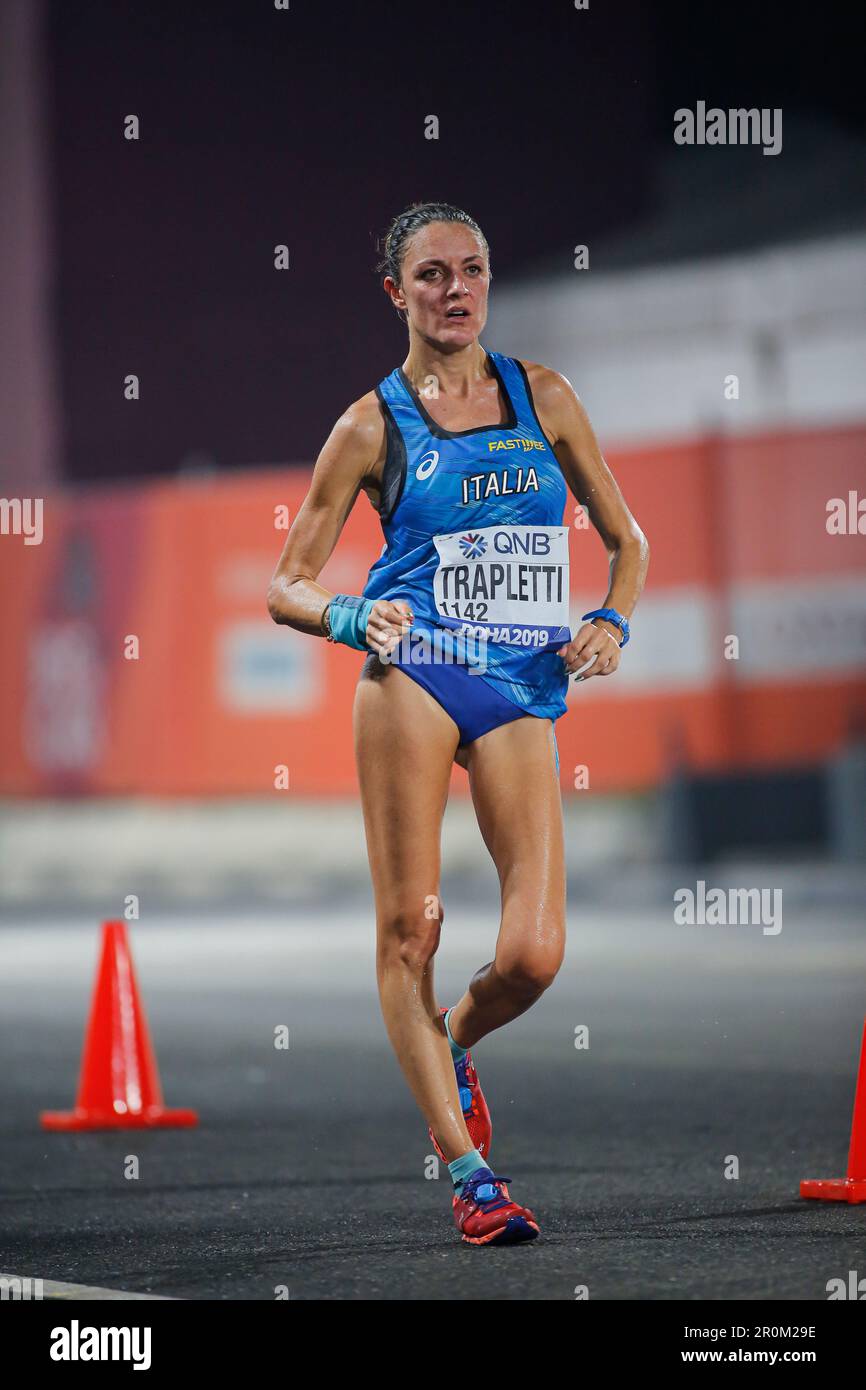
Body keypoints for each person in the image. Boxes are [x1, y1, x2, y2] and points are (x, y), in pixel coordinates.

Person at [267, 202, 649, 1246]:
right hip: (415, 669)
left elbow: (627, 540)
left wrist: (611, 619)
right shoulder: (369, 424)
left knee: (533, 955)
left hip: (519, 680)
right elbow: (285, 584)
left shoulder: (546, 396)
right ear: (396, 293)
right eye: (430, 274)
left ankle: (452, 1037)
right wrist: (350, 615)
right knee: (411, 929)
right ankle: (470, 1173)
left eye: (470, 269)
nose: (454, 290)